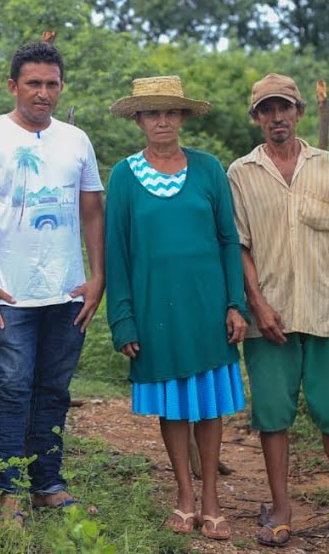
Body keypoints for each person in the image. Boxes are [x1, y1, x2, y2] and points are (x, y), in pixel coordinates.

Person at [0, 41, 105, 523]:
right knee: (10, 389)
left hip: (67, 291)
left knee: (54, 389)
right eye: (33, 84)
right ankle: (9, 493)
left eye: (51, 84)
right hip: (7, 293)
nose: (43, 93)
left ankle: (47, 484)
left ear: (61, 87)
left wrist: (97, 275)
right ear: (13, 86)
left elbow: (92, 210)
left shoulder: (75, 141)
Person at [226, 73, 329, 547]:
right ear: (256, 119)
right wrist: (257, 304)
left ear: (299, 113)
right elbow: (240, 247)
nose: (276, 118)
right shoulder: (241, 173)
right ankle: (282, 506)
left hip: (328, 314)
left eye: (283, 108)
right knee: (273, 414)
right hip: (271, 321)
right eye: (266, 110)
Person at [103, 76, 249, 539]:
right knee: (174, 403)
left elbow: (229, 240)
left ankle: (211, 500)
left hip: (207, 305)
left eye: (170, 112)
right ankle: (184, 497)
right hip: (154, 306)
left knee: (207, 403)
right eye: (152, 113)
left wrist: (235, 303)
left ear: (183, 117)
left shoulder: (208, 169)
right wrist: (122, 316)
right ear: (139, 120)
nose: (162, 120)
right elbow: (117, 251)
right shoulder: (124, 175)